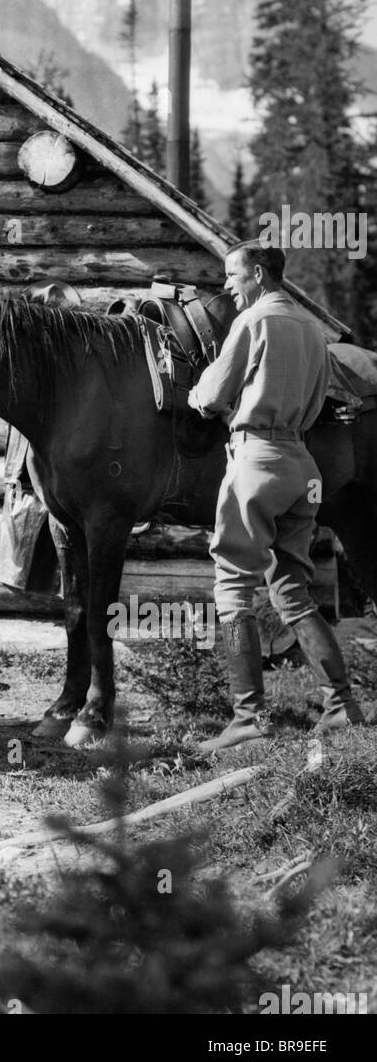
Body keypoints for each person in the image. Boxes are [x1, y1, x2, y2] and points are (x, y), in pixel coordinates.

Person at [188, 243, 365, 752]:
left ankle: (247, 719)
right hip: (302, 466)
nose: (227, 287)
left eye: (232, 276)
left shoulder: (251, 324)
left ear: (259, 275)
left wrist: (197, 395)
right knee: (293, 590)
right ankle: (342, 705)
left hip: (256, 460)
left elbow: (215, 393)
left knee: (232, 586)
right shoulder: (313, 331)